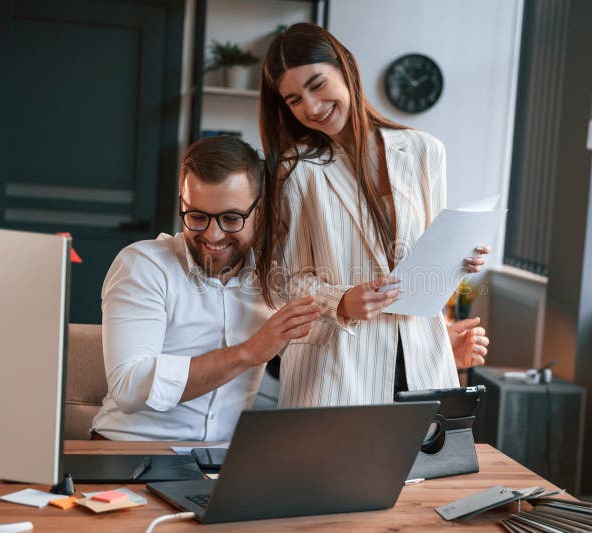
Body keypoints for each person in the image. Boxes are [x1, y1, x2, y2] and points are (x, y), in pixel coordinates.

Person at [256, 23, 491, 408]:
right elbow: (283, 284)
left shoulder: (424, 151)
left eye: (317, 85)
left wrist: (459, 259)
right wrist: (342, 301)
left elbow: (425, 267)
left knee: (427, 468)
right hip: (337, 373)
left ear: (346, 68)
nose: (311, 107)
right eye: (294, 100)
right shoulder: (295, 171)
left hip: (421, 367)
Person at [91, 136, 320, 440]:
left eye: (231, 218)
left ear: (259, 211)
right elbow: (129, 389)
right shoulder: (143, 266)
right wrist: (248, 352)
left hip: (218, 463)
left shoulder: (276, 277)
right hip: (128, 451)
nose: (213, 235)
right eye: (197, 217)